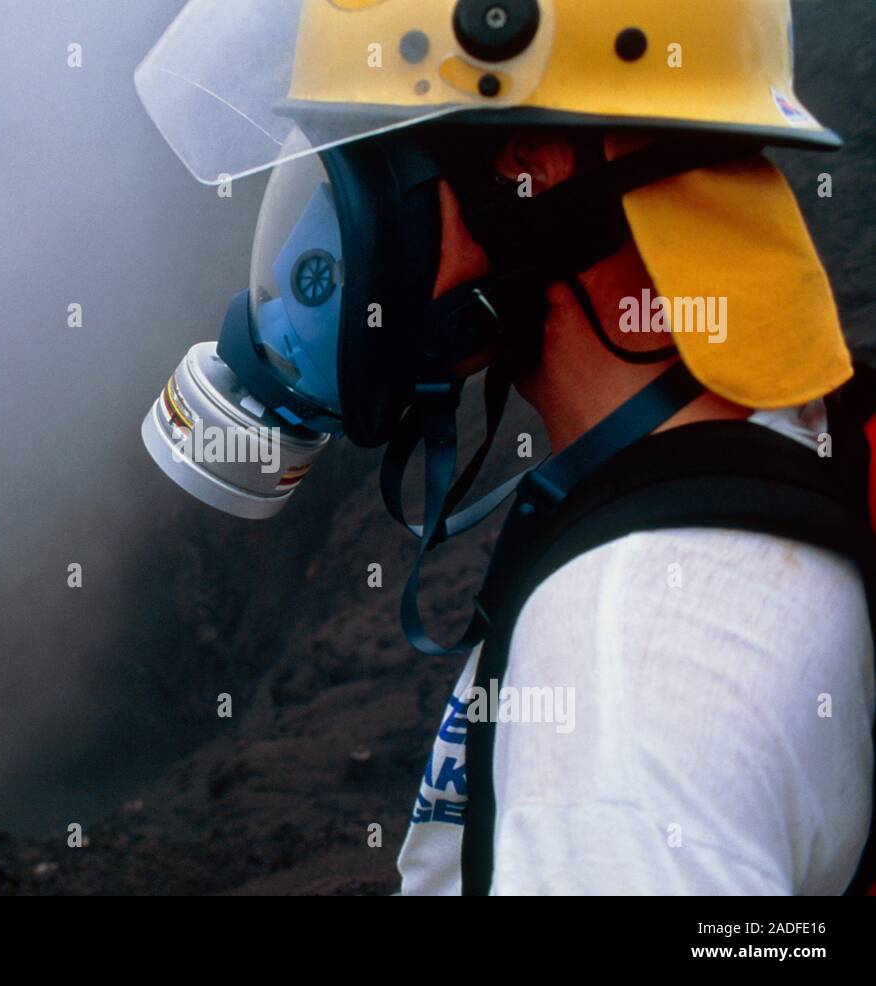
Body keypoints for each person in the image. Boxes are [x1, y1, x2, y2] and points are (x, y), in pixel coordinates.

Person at [136, 0, 876, 894]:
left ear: (532, 167)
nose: (316, 244)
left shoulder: (624, 677)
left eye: (367, 164)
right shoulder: (783, 444)